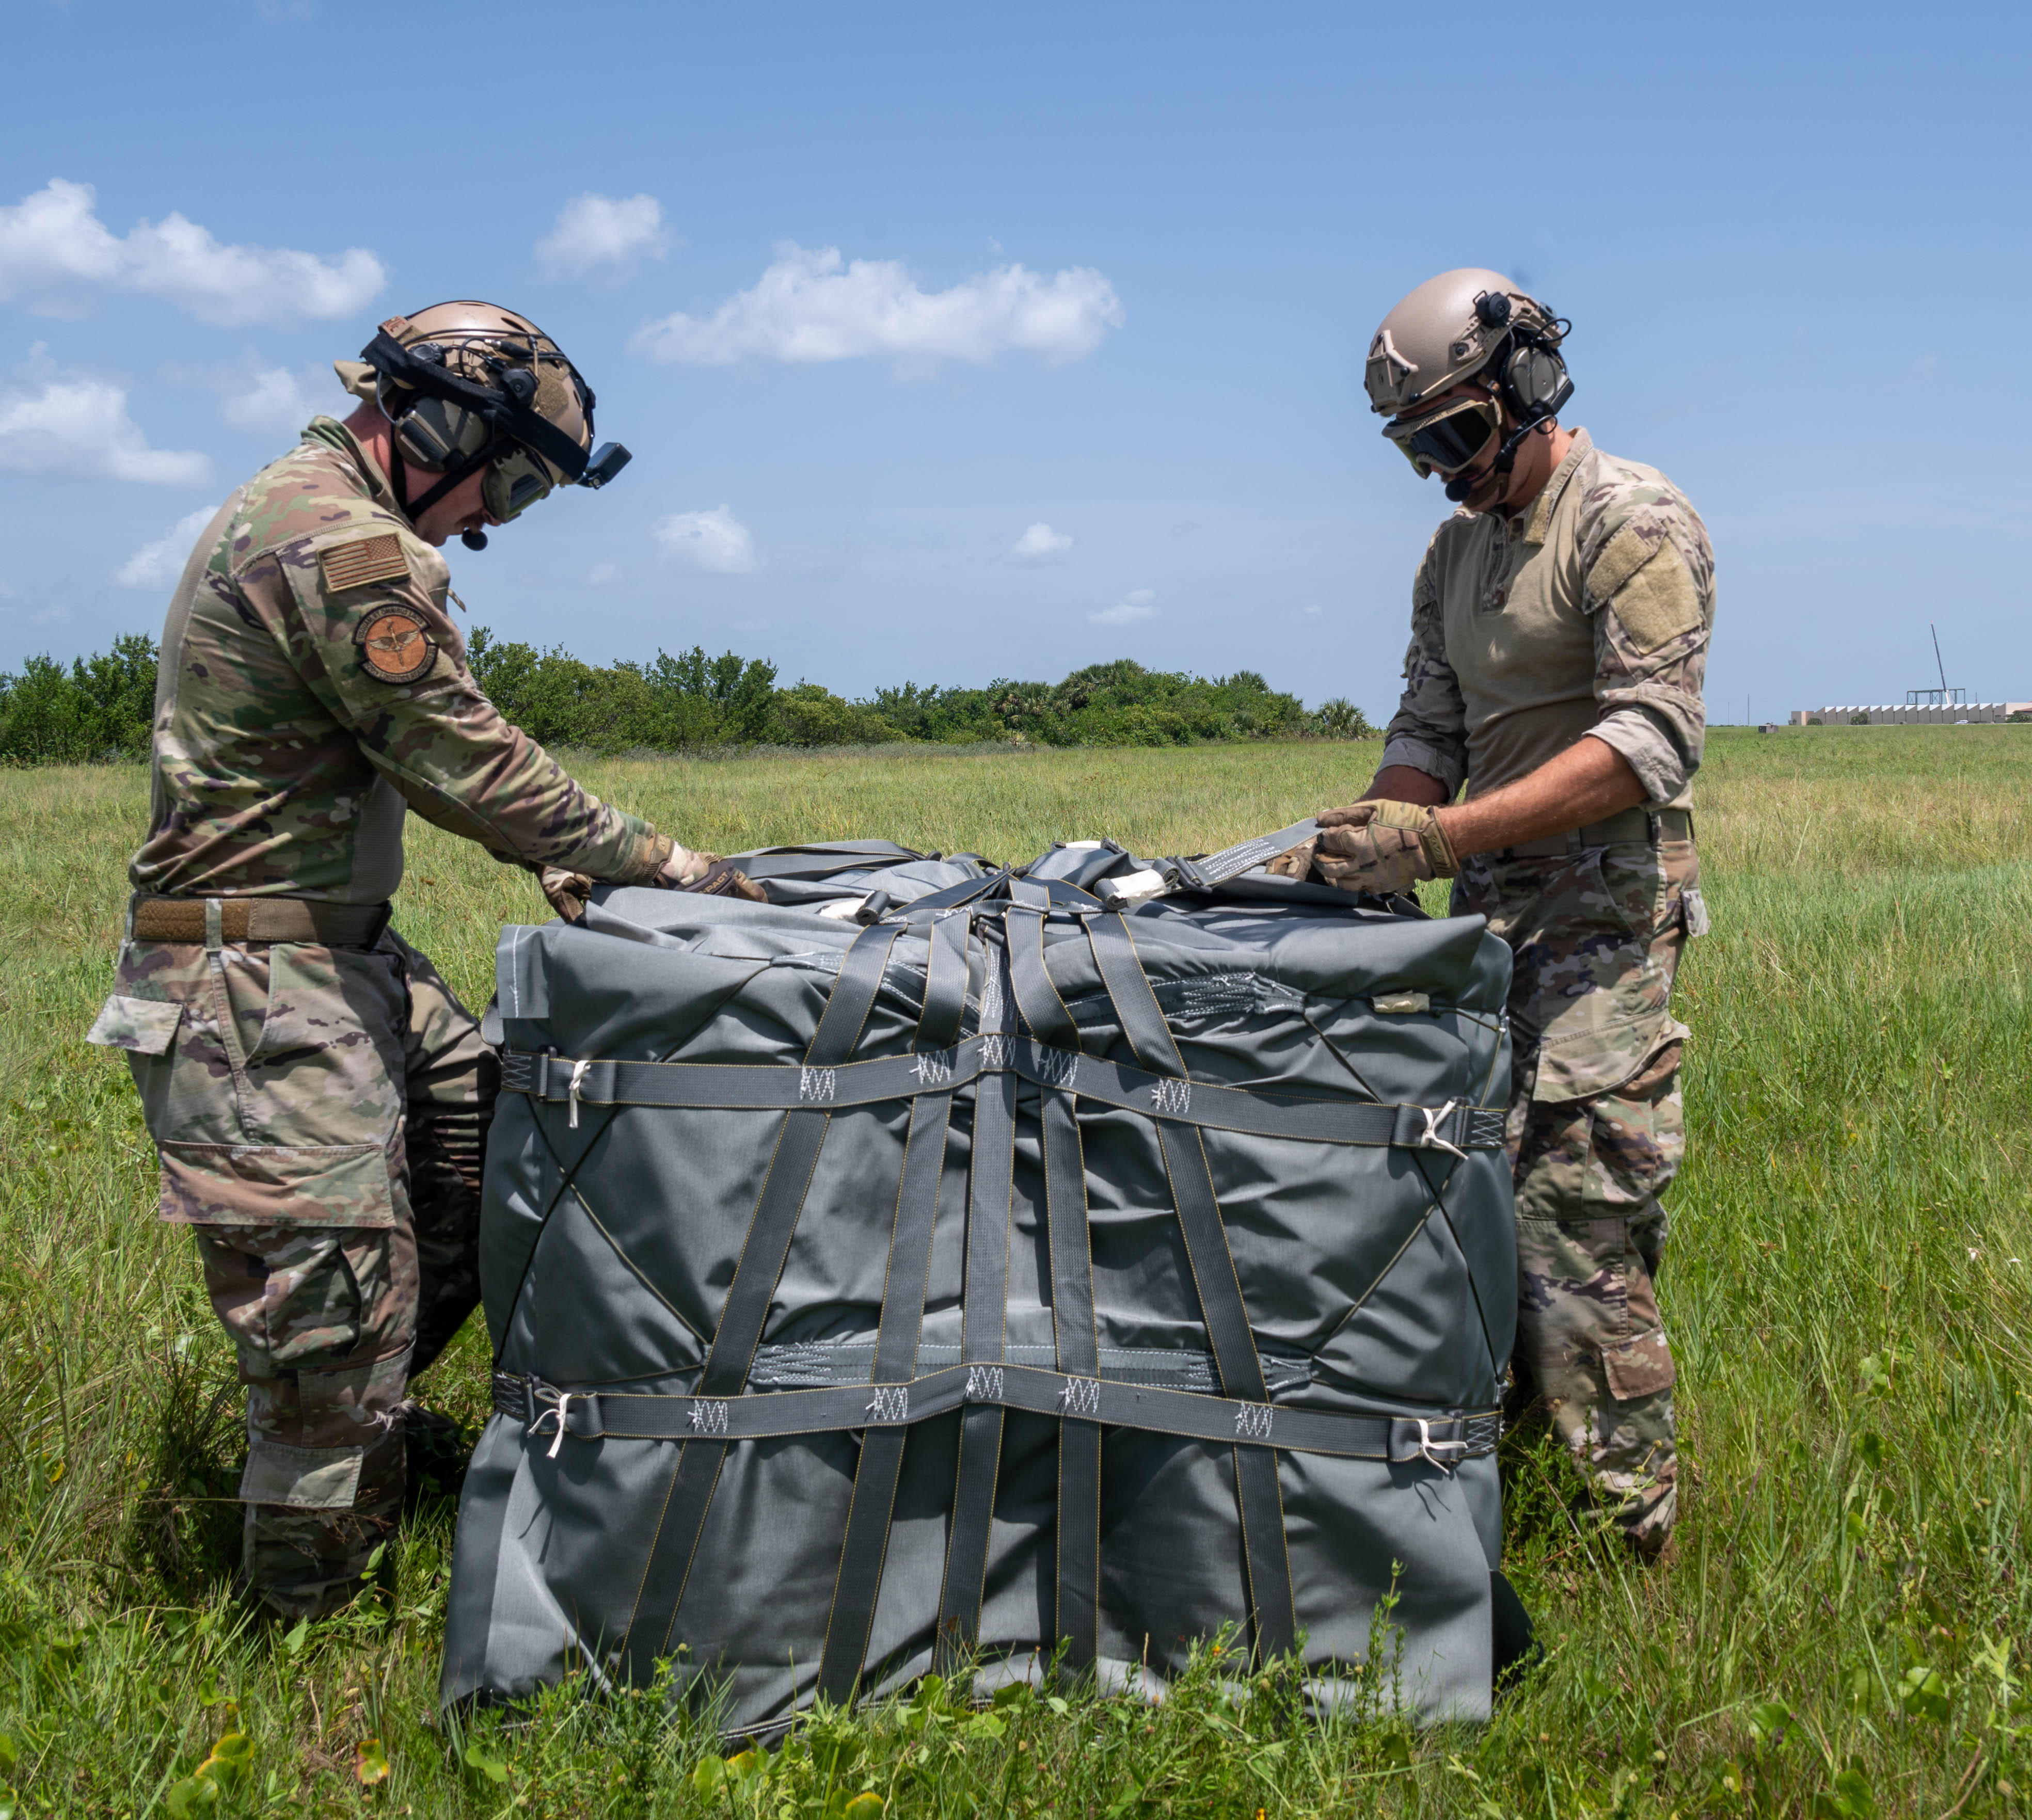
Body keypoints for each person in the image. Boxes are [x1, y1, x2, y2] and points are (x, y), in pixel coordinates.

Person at [86, 301, 758, 1618]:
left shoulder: (319, 511)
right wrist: (668, 865)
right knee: (328, 1320)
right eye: (508, 483)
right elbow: (462, 755)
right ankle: (304, 1624)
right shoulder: (339, 541)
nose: (494, 521)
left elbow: (397, 751)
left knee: (492, 1151)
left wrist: (555, 856)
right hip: (255, 986)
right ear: (445, 423)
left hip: (336, 956)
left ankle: (372, 1436)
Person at [1274, 269, 1713, 1557]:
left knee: (1573, 1227)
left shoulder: (1634, 520)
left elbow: (1648, 741)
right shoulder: (1452, 552)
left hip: (1601, 926)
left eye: (1459, 435)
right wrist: (1367, 841)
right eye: (1418, 450)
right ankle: (1506, 1488)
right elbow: (1430, 729)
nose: (1444, 472)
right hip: (1485, 930)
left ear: (1529, 383)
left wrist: (1445, 835)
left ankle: (1633, 1541)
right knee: (1467, 1203)